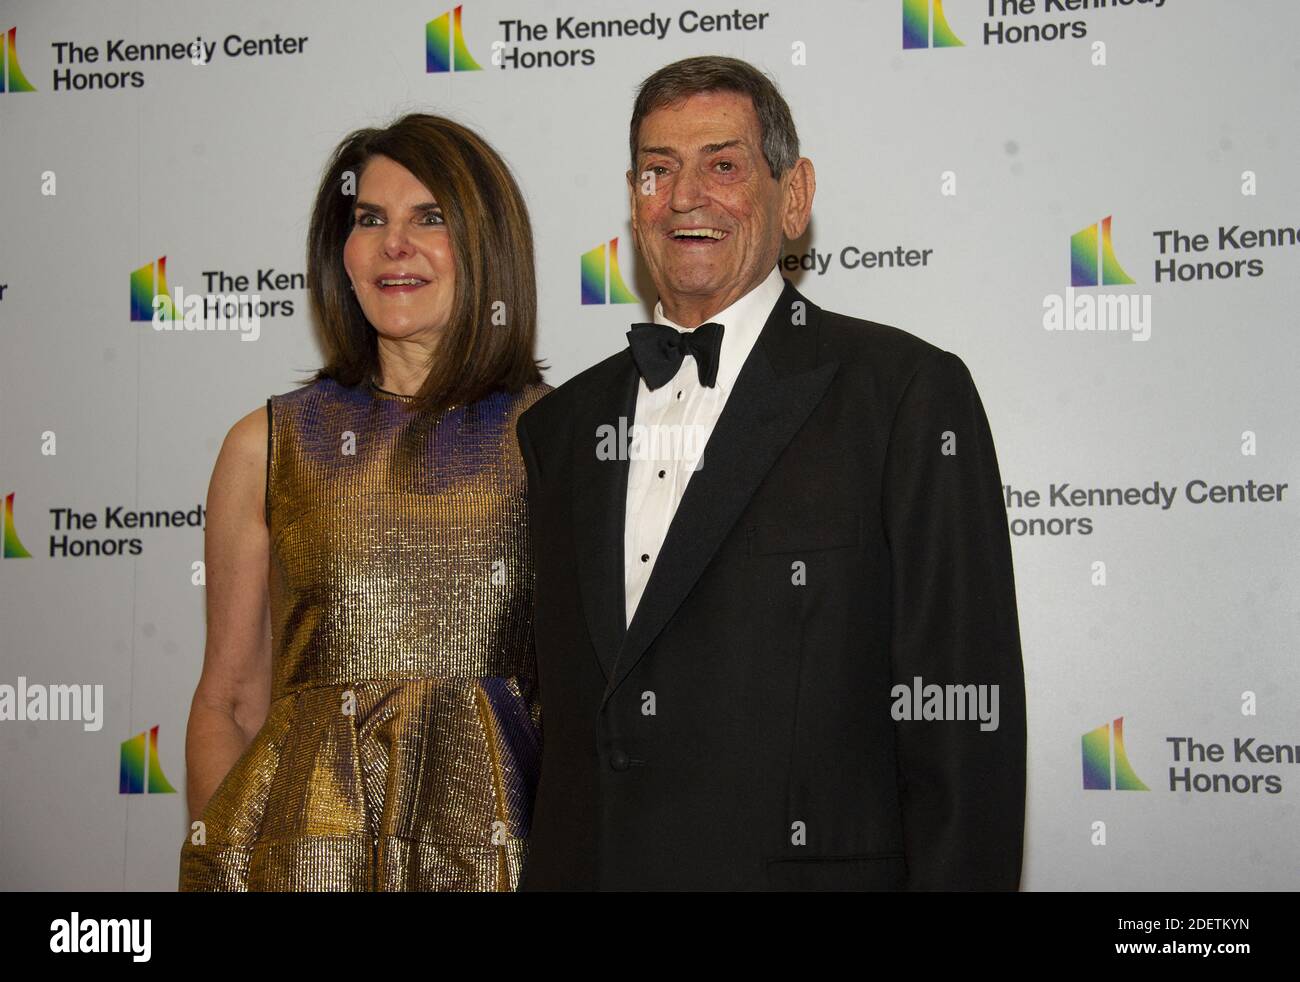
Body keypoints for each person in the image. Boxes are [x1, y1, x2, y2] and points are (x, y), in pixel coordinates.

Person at [516, 56, 1027, 890]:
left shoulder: (903, 397)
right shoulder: (562, 430)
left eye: (723, 164)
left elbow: (962, 736)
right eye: (658, 170)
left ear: (794, 198)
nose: (686, 196)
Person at [179, 113, 549, 891]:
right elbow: (232, 700)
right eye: (369, 219)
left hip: (504, 867)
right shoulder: (265, 445)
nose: (394, 245)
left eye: (430, 218)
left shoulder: (561, 439)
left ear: (488, 244)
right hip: (304, 867)